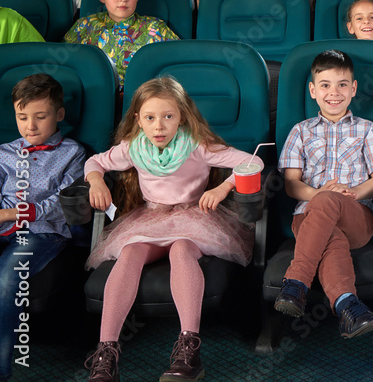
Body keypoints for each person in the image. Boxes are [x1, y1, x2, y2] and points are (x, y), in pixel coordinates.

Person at [81, 76, 263, 382]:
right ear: (138, 119)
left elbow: (252, 162)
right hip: (151, 217)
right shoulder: (133, 148)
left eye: (168, 116)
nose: (159, 126)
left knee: (181, 251)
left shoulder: (197, 145)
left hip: (192, 217)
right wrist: (96, 181)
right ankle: (106, 352)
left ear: (182, 117)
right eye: (150, 118)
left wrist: (222, 189)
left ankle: (189, 349)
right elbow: (94, 162)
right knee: (129, 253)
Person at [273, 50, 373, 338]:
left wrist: (351, 193)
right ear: (313, 90)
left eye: (342, 85)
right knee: (332, 239)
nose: (334, 92)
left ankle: (296, 282)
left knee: (329, 203)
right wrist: (319, 194)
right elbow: (291, 184)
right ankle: (348, 306)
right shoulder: (300, 131)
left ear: (353, 88)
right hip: (307, 219)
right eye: (325, 85)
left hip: (355, 215)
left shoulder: (367, 130)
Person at [0, 75, 85, 382]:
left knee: (6, 279)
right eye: (22, 117)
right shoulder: (4, 152)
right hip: (2, 226)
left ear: (59, 114)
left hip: (43, 231)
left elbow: (64, 201)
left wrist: (12, 213)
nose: (30, 126)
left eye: (40, 117)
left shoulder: (72, 153)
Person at [64, 0, 178, 90]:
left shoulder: (155, 27)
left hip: (143, 95)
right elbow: (65, 65)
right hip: (93, 92)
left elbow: (176, 63)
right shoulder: (85, 26)